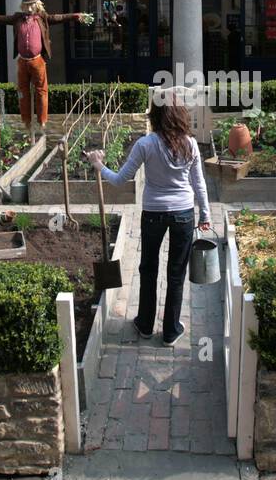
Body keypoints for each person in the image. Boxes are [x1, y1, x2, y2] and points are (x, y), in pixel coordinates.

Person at [86, 99, 210, 347]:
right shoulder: (191, 144)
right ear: (180, 116)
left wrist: (98, 165)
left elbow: (121, 180)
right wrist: (205, 214)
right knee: (176, 274)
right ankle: (171, 331)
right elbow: (199, 184)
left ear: (156, 116)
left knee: (148, 268)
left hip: (153, 213)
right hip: (184, 214)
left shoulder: (145, 144)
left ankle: (144, 324)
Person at [0, 0, 92, 137]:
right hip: (22, 61)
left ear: (37, 5)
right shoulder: (17, 18)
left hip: (37, 61)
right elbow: (0, 18)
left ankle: (42, 121)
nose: (30, 7)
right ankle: (26, 121)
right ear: (23, 6)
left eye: (32, 4)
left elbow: (59, 17)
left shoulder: (42, 17)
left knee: (41, 92)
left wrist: (75, 16)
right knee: (22, 92)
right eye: (27, 5)